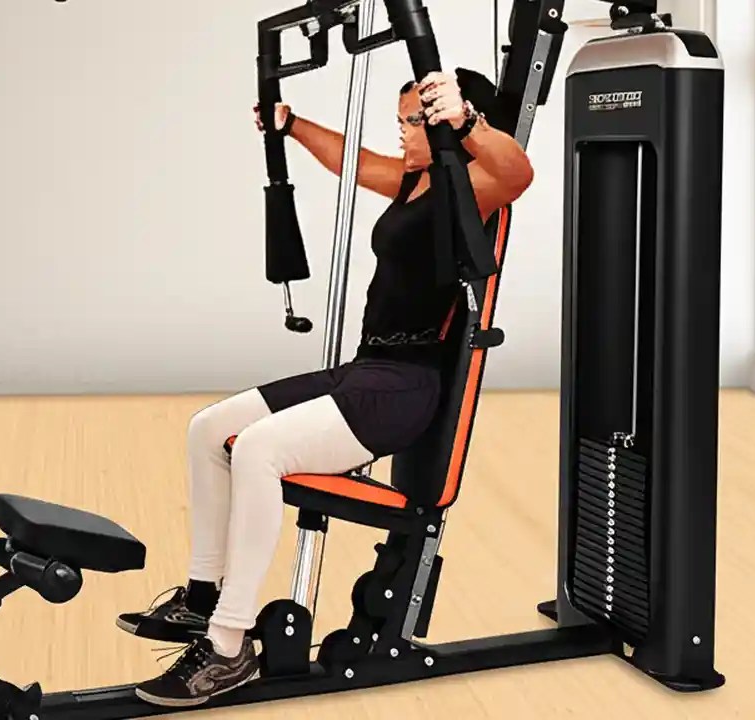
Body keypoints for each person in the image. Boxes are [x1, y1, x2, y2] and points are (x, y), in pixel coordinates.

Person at [120, 67, 535, 708]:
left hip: (403, 388)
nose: (402, 133)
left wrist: (468, 121)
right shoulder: (413, 180)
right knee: (209, 430)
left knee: (257, 450)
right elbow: (352, 161)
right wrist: (291, 125)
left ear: (450, 121)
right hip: (363, 370)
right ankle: (201, 600)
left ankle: (228, 649)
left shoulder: (470, 187)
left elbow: (518, 172)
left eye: (415, 122)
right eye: (401, 120)